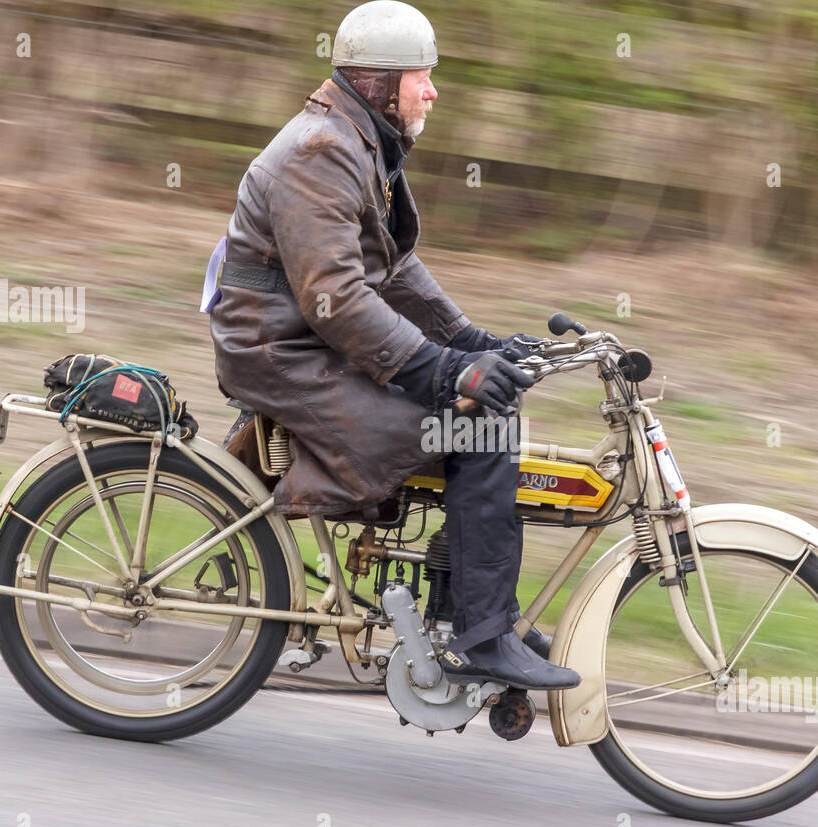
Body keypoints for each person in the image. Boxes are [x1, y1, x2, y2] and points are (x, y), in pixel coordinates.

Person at [206, 1, 579, 691]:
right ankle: (483, 635)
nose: (433, 90)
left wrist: (473, 343)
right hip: (280, 354)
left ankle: (466, 612)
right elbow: (338, 298)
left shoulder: (358, 139)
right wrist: (445, 373)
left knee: (479, 410)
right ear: (379, 82)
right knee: (477, 429)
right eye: (422, 76)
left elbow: (392, 268)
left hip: (304, 342)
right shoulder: (321, 152)